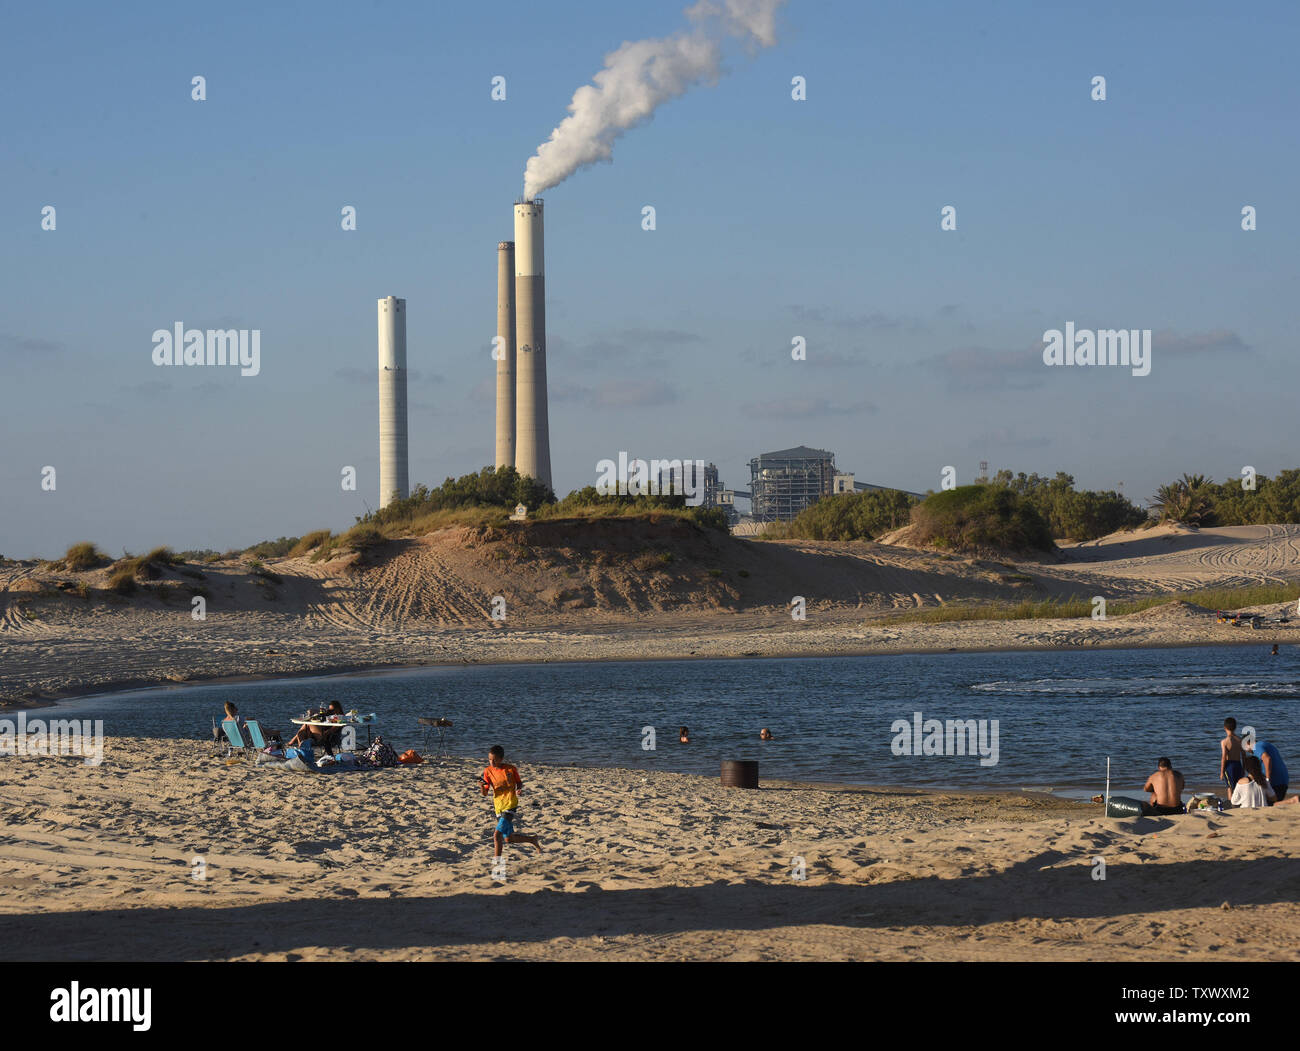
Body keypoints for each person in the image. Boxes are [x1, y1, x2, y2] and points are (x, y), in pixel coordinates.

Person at [480, 745, 542, 856]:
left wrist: (519, 788)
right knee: (508, 839)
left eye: (494, 760)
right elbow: (485, 794)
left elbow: (519, 782)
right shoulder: (487, 771)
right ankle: (532, 840)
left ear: (501, 759)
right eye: (489, 759)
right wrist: (481, 786)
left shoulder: (510, 769)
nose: (492, 762)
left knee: (497, 835)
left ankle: (497, 864)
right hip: (498, 806)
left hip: (510, 804)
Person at [1250, 737, 1290, 802]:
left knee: (1269, 803)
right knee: (1274, 803)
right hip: (1283, 780)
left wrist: (1268, 780)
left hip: (1276, 783)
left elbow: (1267, 758)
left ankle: (1293, 801)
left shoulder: (1256, 746)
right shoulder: (1265, 744)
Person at [1220, 718, 1244, 794]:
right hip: (1238, 764)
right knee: (1238, 786)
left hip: (1229, 766)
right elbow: (1243, 755)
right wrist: (1244, 768)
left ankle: (1231, 804)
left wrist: (1221, 772)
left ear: (1225, 727)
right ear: (1235, 727)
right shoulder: (1240, 740)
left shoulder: (1225, 741)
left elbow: (1224, 757)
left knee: (1230, 787)